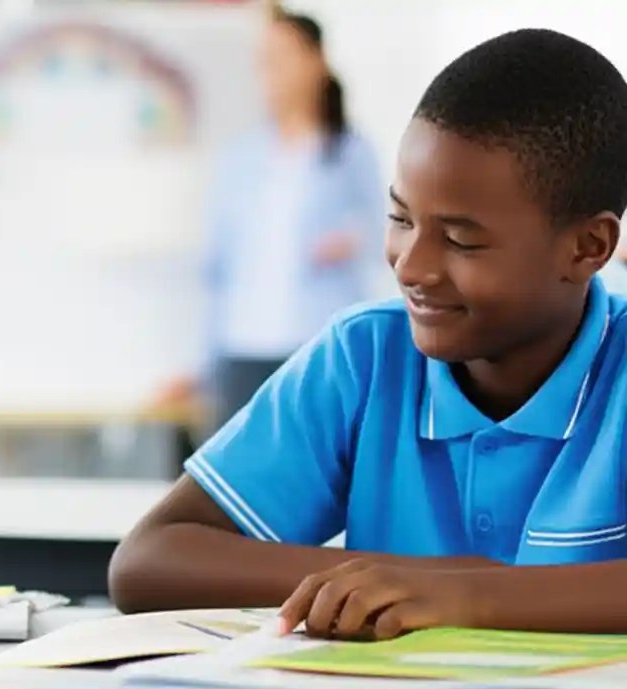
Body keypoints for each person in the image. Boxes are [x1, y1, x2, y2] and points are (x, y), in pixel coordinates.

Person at [112, 28, 627, 640]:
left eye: (461, 240)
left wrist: (467, 594)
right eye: (400, 219)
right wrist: (403, 578)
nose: (411, 265)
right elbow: (149, 561)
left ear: (587, 247)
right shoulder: (364, 359)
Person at [157, 10, 384, 431]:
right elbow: (218, 271)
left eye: (283, 57)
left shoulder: (350, 153)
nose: (271, 72)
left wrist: (352, 239)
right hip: (242, 349)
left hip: (316, 348)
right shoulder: (239, 158)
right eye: (264, 61)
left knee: (321, 463)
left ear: (316, 62)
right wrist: (200, 366)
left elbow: (387, 238)